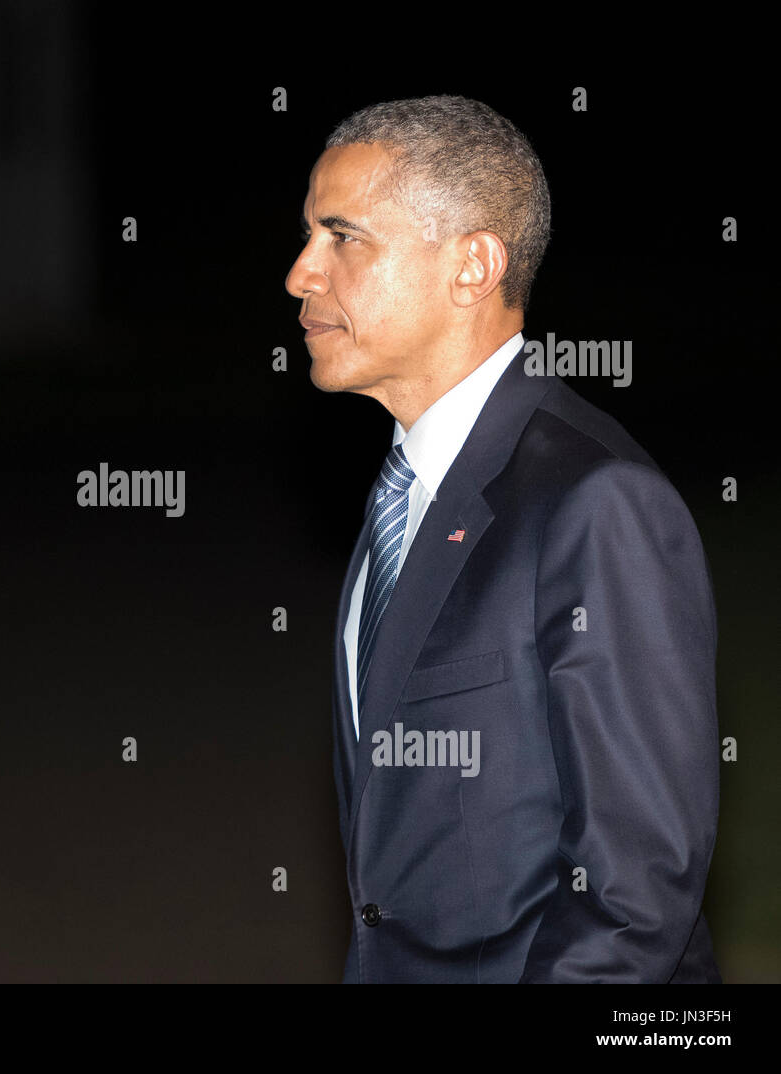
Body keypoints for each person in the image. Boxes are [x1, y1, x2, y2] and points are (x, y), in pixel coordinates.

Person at [285, 95, 720, 983]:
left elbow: (634, 901)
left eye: (343, 237)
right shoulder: (403, 490)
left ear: (473, 265)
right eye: (307, 237)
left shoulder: (599, 503)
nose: (300, 274)